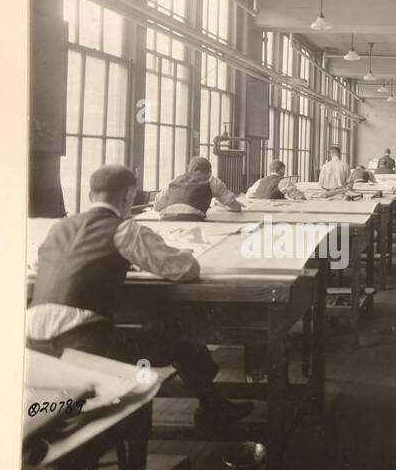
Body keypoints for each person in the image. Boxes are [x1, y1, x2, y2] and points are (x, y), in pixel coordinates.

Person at [28, 164, 253, 431]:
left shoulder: (58, 228)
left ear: (90, 196)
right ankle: (211, 407)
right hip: (84, 345)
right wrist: (186, 254)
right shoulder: (124, 230)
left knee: (147, 331)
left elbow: (41, 268)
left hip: (33, 345)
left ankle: (210, 404)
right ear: (128, 196)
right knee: (181, 339)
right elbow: (185, 270)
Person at [154, 156, 242, 217]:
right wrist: (221, 205)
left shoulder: (176, 180)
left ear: (189, 169)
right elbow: (236, 207)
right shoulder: (211, 180)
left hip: (168, 216)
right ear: (209, 171)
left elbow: (157, 205)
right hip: (193, 217)